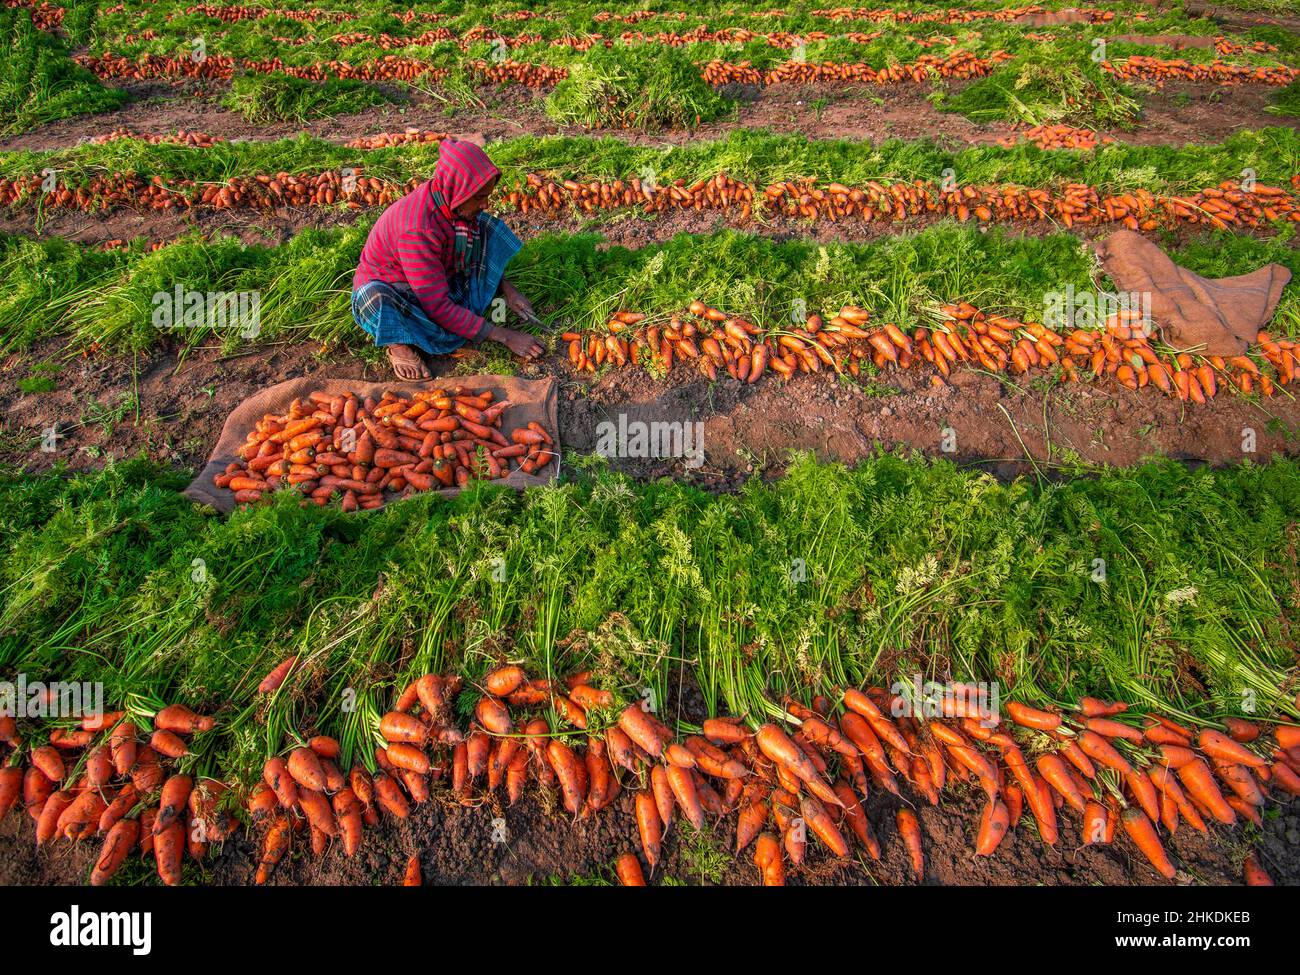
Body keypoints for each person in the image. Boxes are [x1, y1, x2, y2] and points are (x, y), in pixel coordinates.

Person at [351, 139, 542, 380]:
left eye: (487, 195)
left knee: (484, 226)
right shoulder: (419, 230)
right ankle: (398, 344)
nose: (485, 204)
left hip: (433, 274)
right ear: (457, 189)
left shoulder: (447, 201)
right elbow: (436, 305)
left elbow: (466, 243)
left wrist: (507, 290)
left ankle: (470, 317)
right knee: (377, 299)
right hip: (396, 289)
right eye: (480, 197)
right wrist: (505, 336)